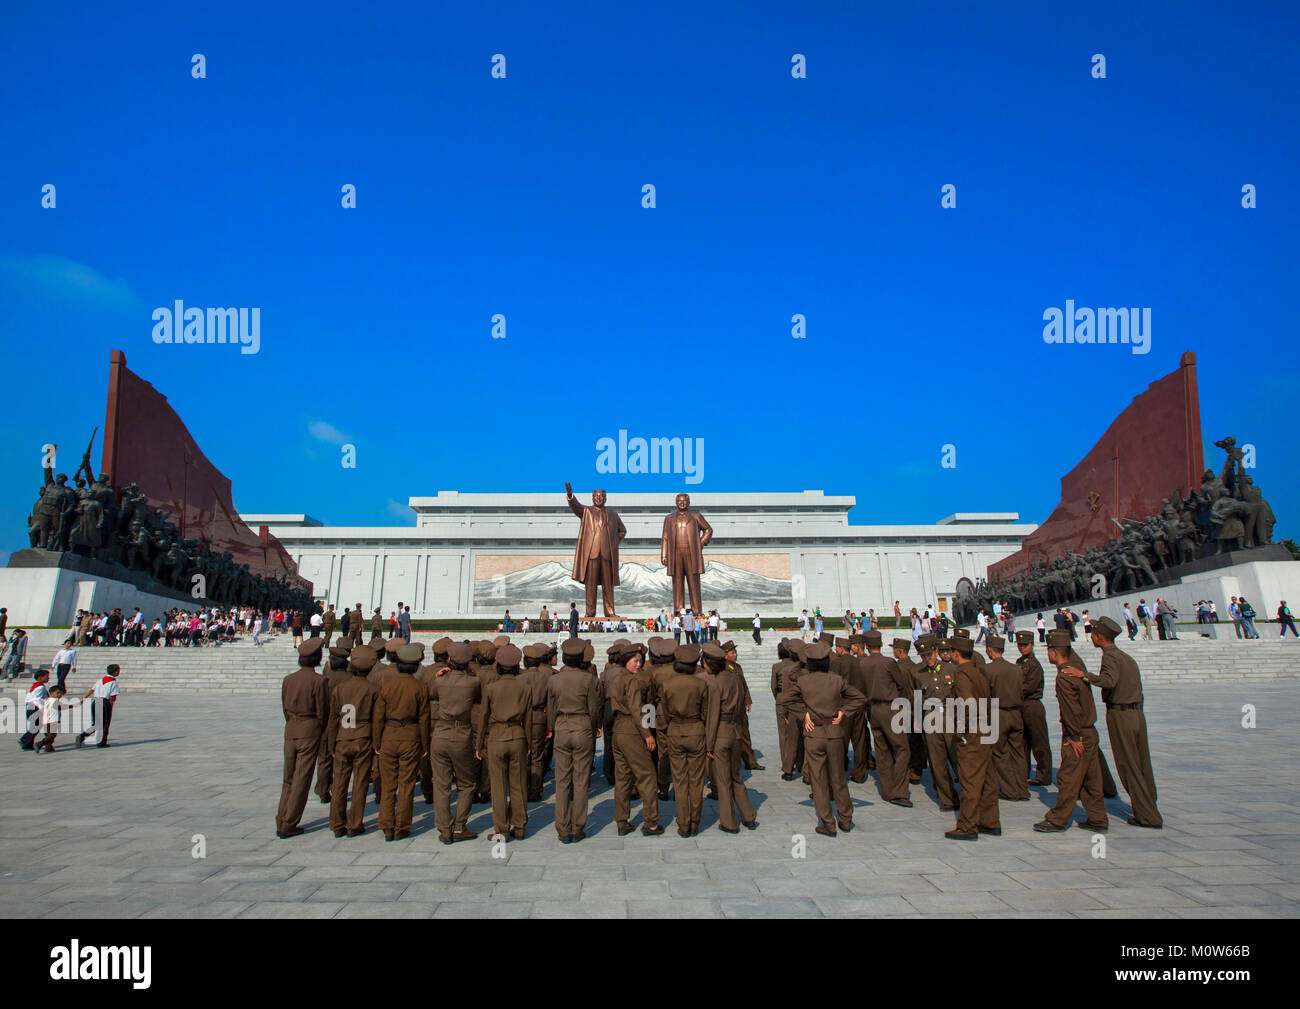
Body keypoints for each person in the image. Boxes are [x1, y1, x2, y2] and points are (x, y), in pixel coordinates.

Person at [1071, 616, 1163, 828]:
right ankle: (1149, 806)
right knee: (1142, 764)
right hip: (1136, 713)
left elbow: (1109, 681)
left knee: (1128, 763)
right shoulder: (1126, 657)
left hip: (1120, 714)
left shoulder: (1110, 657)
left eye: (1093, 633)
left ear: (1100, 636)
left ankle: (1148, 816)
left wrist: (1084, 675)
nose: (1091, 636)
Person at [1034, 630, 1108, 833]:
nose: (1048, 655)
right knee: (1092, 779)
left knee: (1068, 778)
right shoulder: (1077, 669)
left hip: (1078, 735)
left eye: (1049, 651)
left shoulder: (1064, 677)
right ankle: (1098, 817)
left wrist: (1074, 737)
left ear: (1055, 652)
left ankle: (1058, 819)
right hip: (1090, 732)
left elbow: (1071, 710)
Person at [790, 641, 865, 837]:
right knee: (838, 778)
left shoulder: (803, 681)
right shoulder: (836, 680)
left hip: (813, 732)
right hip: (834, 732)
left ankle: (827, 822)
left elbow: (785, 700)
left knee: (819, 780)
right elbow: (859, 698)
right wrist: (843, 711)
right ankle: (846, 819)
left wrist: (804, 713)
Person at [373, 644, 431, 841]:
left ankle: (386, 825)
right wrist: (424, 744)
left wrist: (377, 742)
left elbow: (378, 717)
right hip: (411, 737)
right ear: (416, 666)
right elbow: (424, 718)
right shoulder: (420, 687)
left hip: (388, 736)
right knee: (406, 784)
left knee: (388, 784)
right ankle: (402, 826)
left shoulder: (387, 687)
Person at [945, 636, 1000, 841]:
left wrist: (964, 729)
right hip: (985, 728)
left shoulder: (962, 675)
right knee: (986, 778)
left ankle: (968, 825)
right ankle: (990, 821)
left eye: (951, 651)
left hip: (973, 732)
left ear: (956, 653)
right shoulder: (978, 673)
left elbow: (967, 703)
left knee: (970, 779)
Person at [476, 644, 531, 840]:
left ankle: (501, 829)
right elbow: (528, 719)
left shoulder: (491, 688)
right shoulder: (525, 688)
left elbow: (483, 717)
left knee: (498, 786)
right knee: (518, 784)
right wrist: (529, 745)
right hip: (517, 736)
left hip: (496, 737)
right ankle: (520, 826)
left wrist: (479, 744)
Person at [608, 640, 663, 836]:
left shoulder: (617, 677)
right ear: (625, 661)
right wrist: (648, 735)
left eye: (640, 661)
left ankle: (622, 821)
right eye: (634, 661)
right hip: (632, 729)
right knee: (647, 776)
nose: (638, 664)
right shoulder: (631, 680)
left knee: (622, 777)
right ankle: (651, 823)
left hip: (618, 730)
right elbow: (635, 709)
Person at [703, 642, 758, 833]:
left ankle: (729, 822)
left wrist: (708, 745)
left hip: (720, 733)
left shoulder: (714, 682)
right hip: (736, 732)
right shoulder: (735, 678)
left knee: (723, 780)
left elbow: (712, 716)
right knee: (736, 776)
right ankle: (749, 816)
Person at [276, 639, 328, 838]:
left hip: (291, 729)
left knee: (288, 778)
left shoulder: (288, 679)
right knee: (302, 778)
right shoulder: (318, 681)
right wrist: (318, 729)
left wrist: (293, 722)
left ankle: (281, 817)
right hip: (309, 730)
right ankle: (289, 822)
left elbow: (284, 707)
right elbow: (322, 710)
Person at [326, 644, 379, 837]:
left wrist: (331, 743)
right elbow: (377, 719)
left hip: (342, 737)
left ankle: (336, 823)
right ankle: (354, 824)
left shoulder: (340, 688)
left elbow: (333, 719)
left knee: (339, 782)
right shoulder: (373, 689)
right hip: (363, 737)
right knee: (360, 783)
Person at [660, 643, 709, 836]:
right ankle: (695, 822)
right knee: (696, 780)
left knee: (679, 780)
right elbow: (705, 711)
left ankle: (683, 823)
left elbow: (664, 710)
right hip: (696, 729)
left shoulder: (667, 684)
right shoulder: (701, 684)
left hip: (675, 730)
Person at [862, 630, 912, 806]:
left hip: (873, 709)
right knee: (902, 749)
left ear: (866, 646)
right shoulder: (889, 662)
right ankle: (900, 791)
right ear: (881, 644)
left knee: (882, 750)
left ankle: (887, 790)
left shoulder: (862, 663)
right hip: (891, 708)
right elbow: (901, 684)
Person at [1015, 631, 1053, 786]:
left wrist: (1011, 692)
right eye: (1020, 645)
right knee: (1023, 742)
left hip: (1032, 704)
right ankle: (1023, 772)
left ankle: (1044, 774)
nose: (1022, 648)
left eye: (1025, 645)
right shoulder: (1020, 662)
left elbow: (1029, 687)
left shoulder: (1034, 665)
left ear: (1032, 645)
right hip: (1021, 705)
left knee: (1039, 742)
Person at [19, 668, 51, 751]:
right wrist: (42, 709)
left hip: (31, 707)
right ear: (40, 677)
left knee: (35, 727)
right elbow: (36, 699)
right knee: (35, 727)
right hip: (35, 708)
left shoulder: (37, 685)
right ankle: (27, 745)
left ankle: (24, 739)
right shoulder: (40, 688)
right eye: (46, 676)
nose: (48, 678)